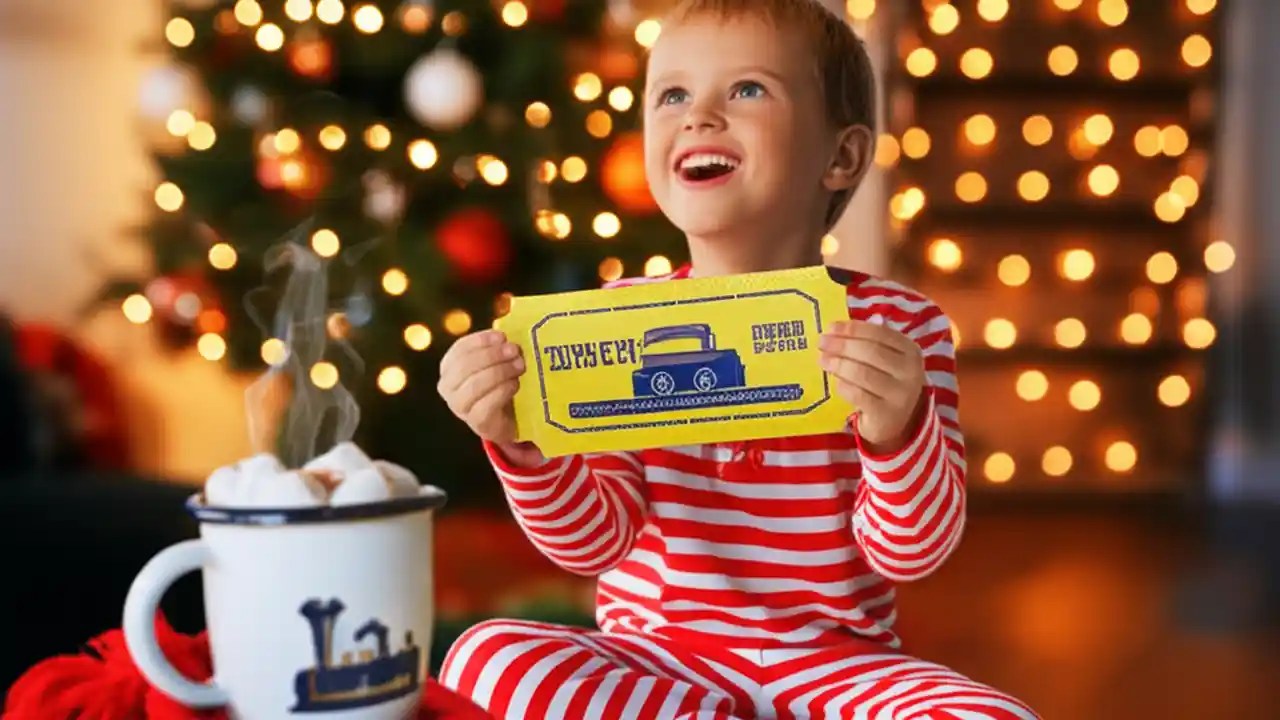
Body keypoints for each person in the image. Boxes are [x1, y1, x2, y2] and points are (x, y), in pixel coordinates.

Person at [435, 0, 1039, 717]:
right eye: (672, 95)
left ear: (841, 157)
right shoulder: (614, 323)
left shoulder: (899, 329)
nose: (698, 117)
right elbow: (595, 542)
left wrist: (898, 433)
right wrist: (523, 446)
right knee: (485, 657)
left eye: (748, 89)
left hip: (839, 668)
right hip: (657, 660)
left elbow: (912, 553)